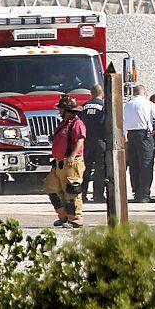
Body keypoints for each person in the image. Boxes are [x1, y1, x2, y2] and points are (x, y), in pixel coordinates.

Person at [44, 94, 87, 228]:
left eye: (61, 109)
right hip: (60, 163)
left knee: (72, 191)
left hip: (71, 163)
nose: (59, 111)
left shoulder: (77, 123)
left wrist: (72, 156)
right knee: (51, 187)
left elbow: (80, 140)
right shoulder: (64, 123)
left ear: (66, 110)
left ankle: (75, 220)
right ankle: (63, 216)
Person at [122, 85, 155, 203]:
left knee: (134, 164)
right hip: (145, 136)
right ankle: (144, 195)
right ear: (144, 93)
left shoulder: (127, 105)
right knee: (146, 165)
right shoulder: (148, 103)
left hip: (130, 136)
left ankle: (136, 192)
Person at [80, 84, 108, 203]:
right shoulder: (104, 106)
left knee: (85, 168)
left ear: (91, 93)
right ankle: (98, 195)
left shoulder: (83, 106)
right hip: (100, 141)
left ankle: (82, 195)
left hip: (86, 141)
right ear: (101, 94)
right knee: (100, 169)